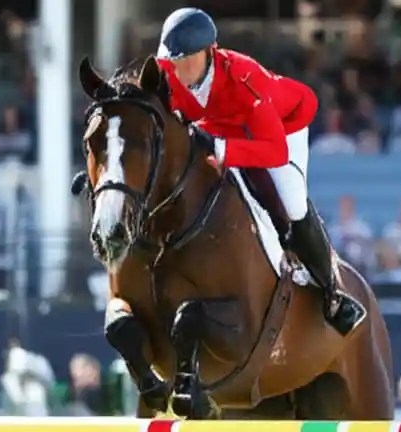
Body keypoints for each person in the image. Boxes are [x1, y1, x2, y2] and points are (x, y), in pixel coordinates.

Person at [154, 7, 364, 336]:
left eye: (187, 60)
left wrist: (224, 151)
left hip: (282, 126)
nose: (179, 70)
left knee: (292, 202)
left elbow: (274, 150)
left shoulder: (244, 77)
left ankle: (332, 293)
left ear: (210, 52)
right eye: (174, 61)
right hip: (222, 127)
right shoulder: (168, 72)